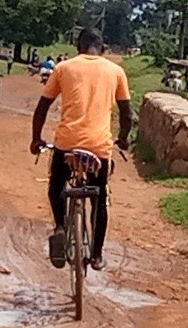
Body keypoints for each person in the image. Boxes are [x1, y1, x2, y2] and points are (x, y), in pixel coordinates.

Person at [27, 26, 133, 268]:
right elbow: (127, 114)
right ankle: (96, 256)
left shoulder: (64, 68)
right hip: (98, 148)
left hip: (66, 145)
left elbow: (42, 107)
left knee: (56, 185)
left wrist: (36, 139)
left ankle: (61, 226)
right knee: (99, 196)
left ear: (78, 47)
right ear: (102, 48)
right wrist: (124, 139)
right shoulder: (116, 71)